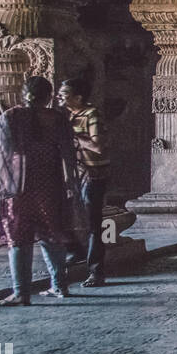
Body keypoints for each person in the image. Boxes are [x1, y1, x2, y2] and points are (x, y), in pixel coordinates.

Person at [0, 76, 84, 305]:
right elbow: (70, 152)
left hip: (17, 186)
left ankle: (21, 292)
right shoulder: (58, 118)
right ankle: (59, 286)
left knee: (18, 236)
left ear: (23, 94)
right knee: (52, 233)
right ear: (49, 96)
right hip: (50, 184)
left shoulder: (10, 116)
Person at [58, 78, 110, 287]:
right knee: (64, 215)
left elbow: (98, 147)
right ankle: (75, 251)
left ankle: (96, 271)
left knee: (92, 224)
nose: (60, 97)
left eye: (65, 94)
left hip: (93, 175)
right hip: (74, 176)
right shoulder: (69, 116)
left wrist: (72, 136)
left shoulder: (91, 115)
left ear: (78, 97)